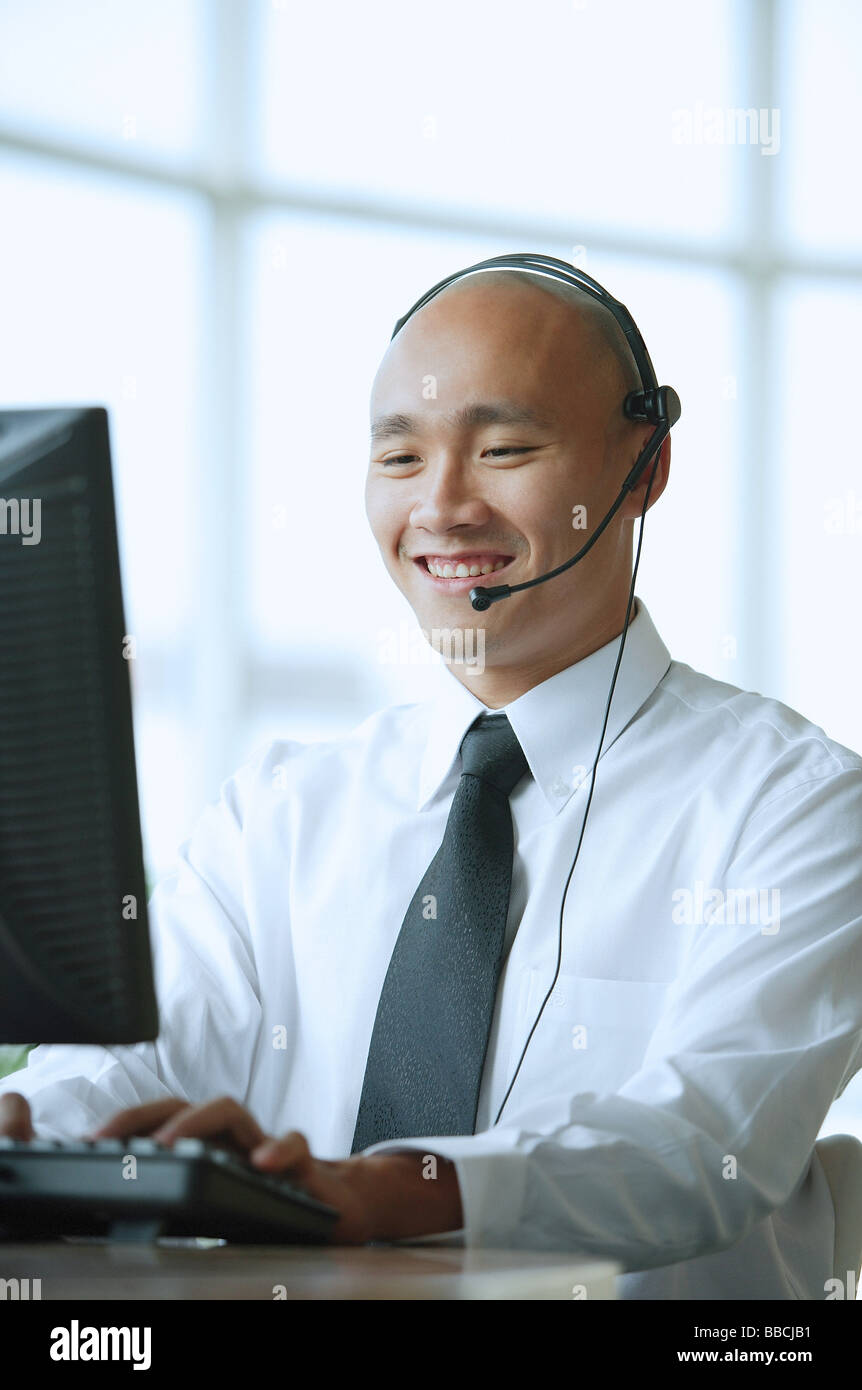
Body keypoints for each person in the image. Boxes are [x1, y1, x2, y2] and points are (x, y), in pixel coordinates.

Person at [2, 263, 860, 1300]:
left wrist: (384, 1190)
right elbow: (133, 1067)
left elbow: (702, 1140)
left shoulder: (797, 807)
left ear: (645, 467)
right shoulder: (278, 813)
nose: (442, 506)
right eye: (399, 456)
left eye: (504, 450)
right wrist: (36, 1132)